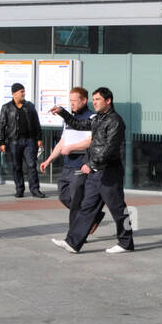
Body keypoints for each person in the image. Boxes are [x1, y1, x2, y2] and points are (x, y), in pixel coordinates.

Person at [52, 86, 135, 255]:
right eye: (94, 99)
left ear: (108, 101)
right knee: (87, 208)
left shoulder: (115, 121)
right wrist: (62, 112)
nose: (94, 102)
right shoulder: (98, 119)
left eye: (98, 99)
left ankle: (126, 242)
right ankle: (73, 242)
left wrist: (91, 164)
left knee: (118, 209)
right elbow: (78, 124)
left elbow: (110, 149)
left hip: (109, 172)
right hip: (96, 173)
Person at [41, 87, 104, 239]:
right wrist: (49, 160)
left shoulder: (92, 117)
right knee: (64, 196)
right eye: (70, 101)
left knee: (76, 201)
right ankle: (93, 216)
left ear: (83, 100)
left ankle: (75, 237)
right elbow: (63, 141)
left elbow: (91, 141)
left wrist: (72, 148)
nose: (72, 104)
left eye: (74, 101)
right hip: (67, 164)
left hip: (81, 163)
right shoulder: (69, 119)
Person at [0, 82, 44, 198]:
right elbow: (1, 125)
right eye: (21, 91)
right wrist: (2, 142)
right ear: (14, 93)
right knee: (17, 166)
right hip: (14, 141)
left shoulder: (30, 106)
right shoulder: (6, 107)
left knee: (31, 165)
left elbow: (36, 122)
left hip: (29, 141)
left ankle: (35, 190)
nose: (24, 93)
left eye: (24, 91)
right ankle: (19, 189)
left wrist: (39, 138)